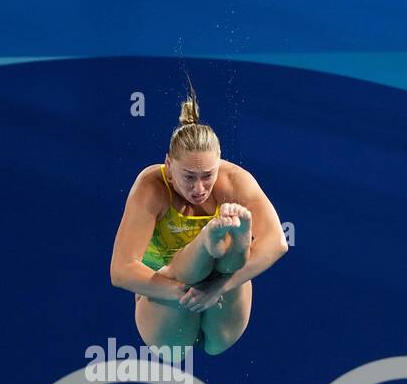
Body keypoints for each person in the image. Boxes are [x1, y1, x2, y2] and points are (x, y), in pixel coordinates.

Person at [109, 81, 289, 355]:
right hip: (165, 313)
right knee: (189, 267)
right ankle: (210, 240)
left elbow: (277, 242)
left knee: (228, 262)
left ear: (219, 162)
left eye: (208, 175)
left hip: (222, 310)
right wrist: (185, 293)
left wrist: (217, 287)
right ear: (168, 165)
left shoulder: (233, 181)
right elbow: (120, 271)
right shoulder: (152, 186)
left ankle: (228, 243)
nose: (199, 188)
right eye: (189, 177)